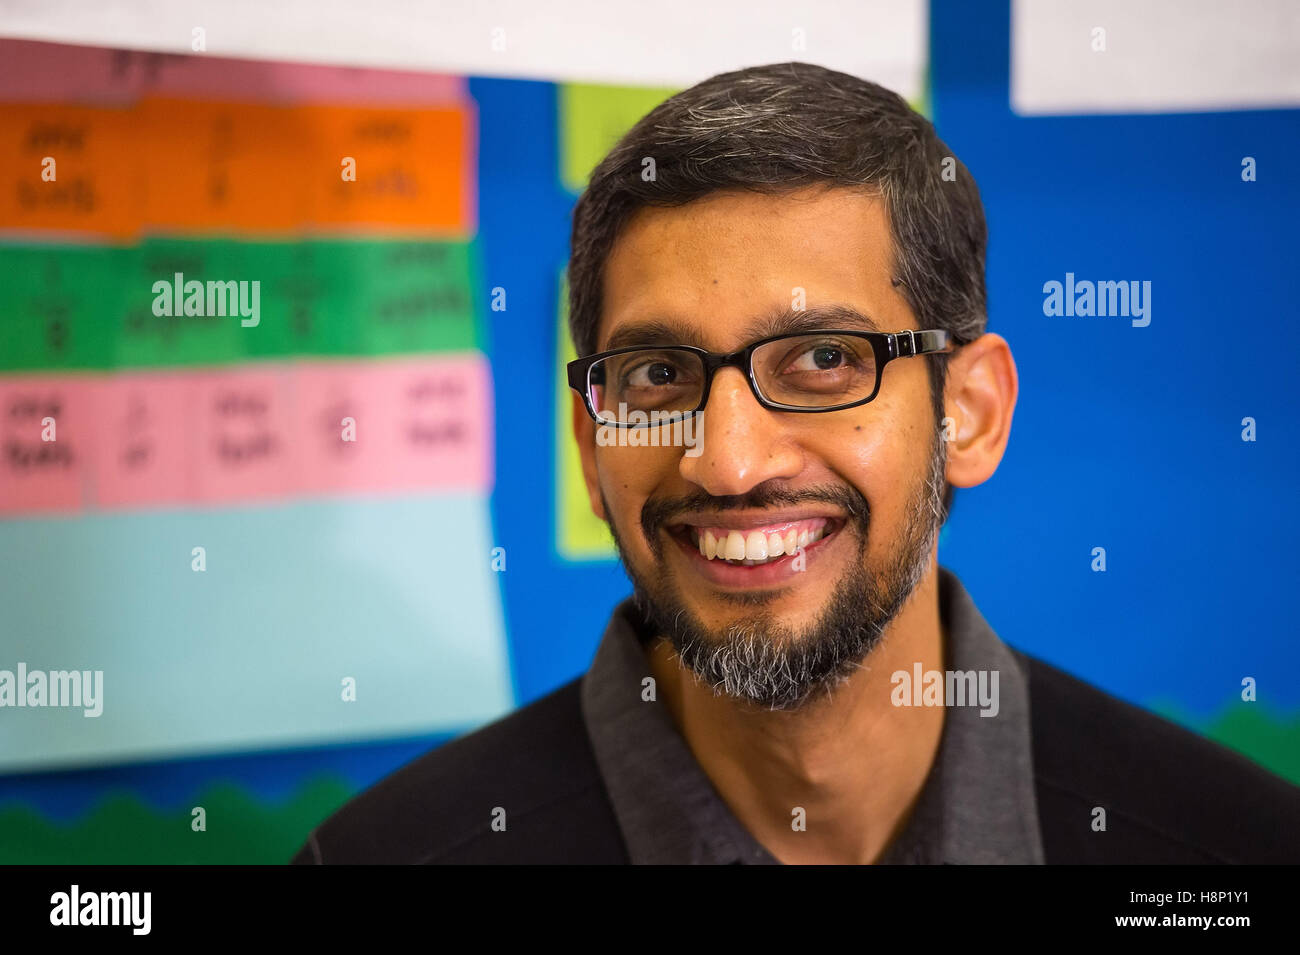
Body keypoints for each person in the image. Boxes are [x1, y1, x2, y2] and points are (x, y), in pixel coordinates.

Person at [293, 62, 1299, 864]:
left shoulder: (1229, 851)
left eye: (823, 359)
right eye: (655, 373)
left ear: (970, 413)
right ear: (592, 441)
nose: (727, 462)